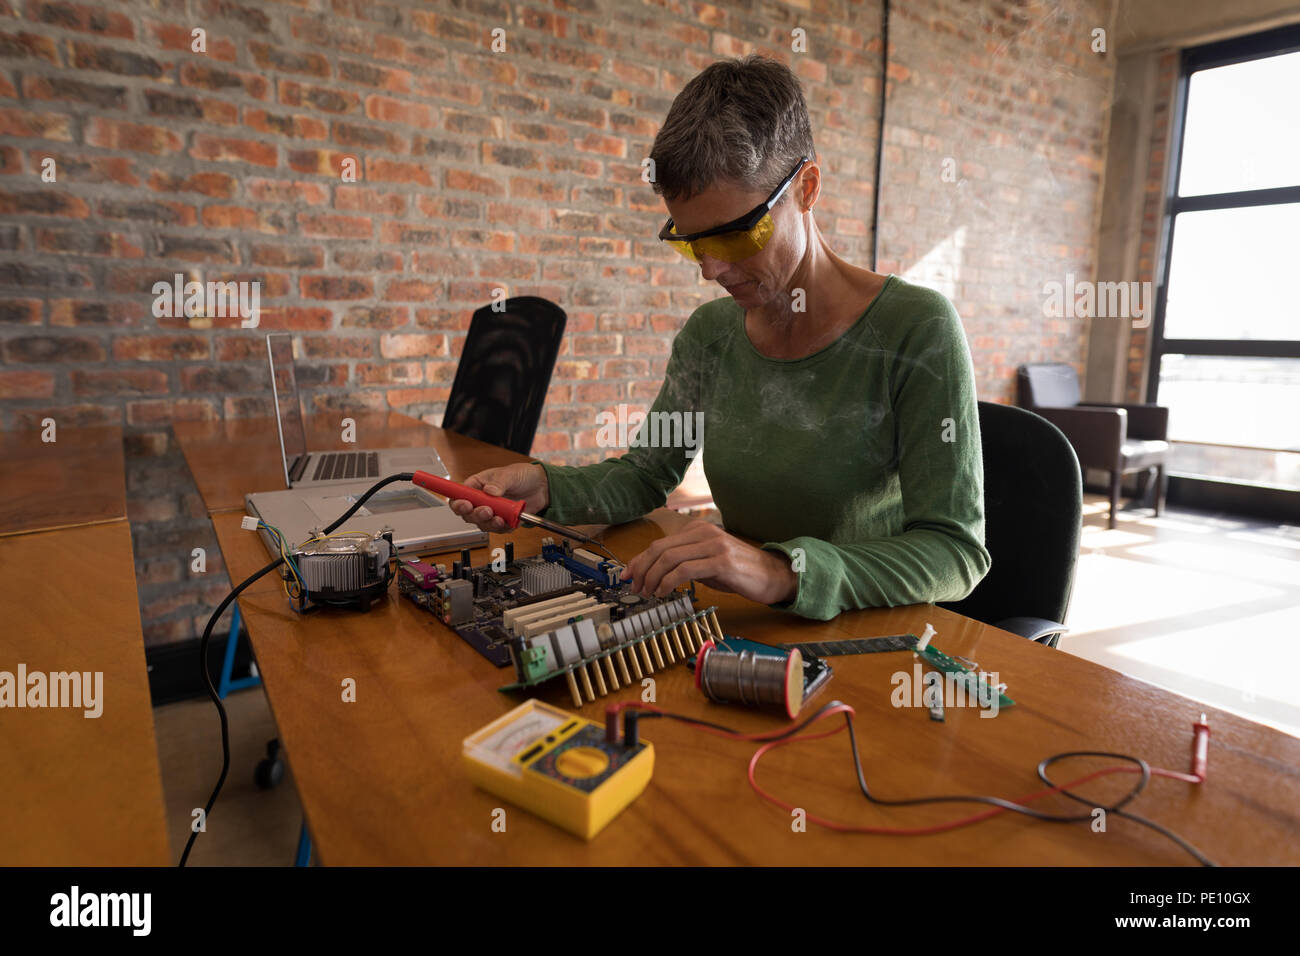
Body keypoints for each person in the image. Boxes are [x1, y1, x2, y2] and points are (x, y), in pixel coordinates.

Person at [449, 55, 990, 622]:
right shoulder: (711, 336)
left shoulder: (916, 328)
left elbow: (955, 551)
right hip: (745, 627)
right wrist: (544, 485)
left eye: (734, 236)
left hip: (870, 641)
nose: (710, 270)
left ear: (807, 187)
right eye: (691, 243)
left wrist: (782, 571)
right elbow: (644, 474)